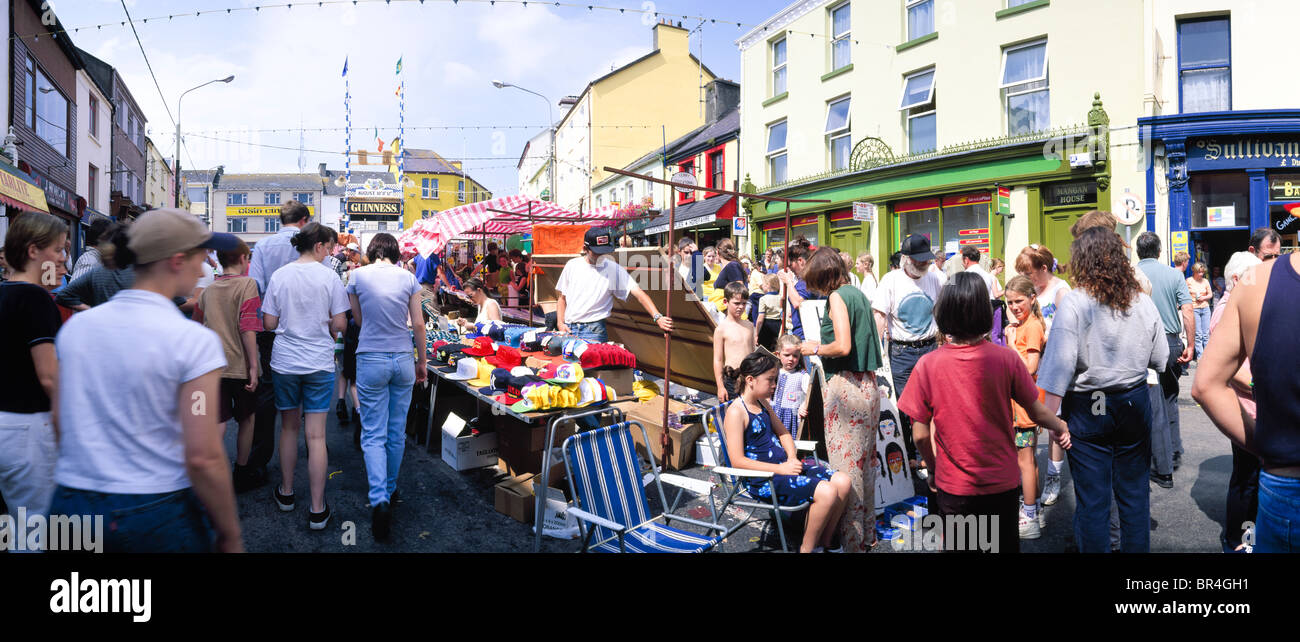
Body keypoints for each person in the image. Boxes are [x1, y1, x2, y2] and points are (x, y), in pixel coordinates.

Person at [50, 208, 243, 553]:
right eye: (201, 256)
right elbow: (202, 454)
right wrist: (229, 533)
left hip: (73, 502)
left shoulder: (78, 330)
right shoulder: (192, 341)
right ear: (177, 260)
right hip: (154, 508)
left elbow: (60, 421)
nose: (204, 267)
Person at [899, 272, 1070, 554]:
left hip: (954, 486)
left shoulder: (927, 365)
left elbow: (919, 434)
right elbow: (1038, 411)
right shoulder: (1006, 359)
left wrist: (933, 467)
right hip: (1000, 484)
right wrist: (1060, 425)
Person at [1038, 227, 1167, 553]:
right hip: (1133, 401)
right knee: (1134, 496)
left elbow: (1058, 370)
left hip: (1088, 404)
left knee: (1094, 502)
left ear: (1082, 260)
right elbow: (1161, 359)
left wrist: (1053, 422)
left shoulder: (1075, 303)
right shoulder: (1141, 301)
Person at [1193, 244, 1300, 552]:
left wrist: (1268, 447)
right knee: (1243, 481)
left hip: (1286, 477)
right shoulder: (1250, 287)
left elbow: (1206, 384)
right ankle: (1236, 537)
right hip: (1279, 467)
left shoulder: (1259, 284)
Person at [261, 222, 350, 530]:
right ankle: (317, 508)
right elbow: (340, 324)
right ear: (318, 246)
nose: (330, 253)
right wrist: (326, 323)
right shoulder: (329, 277)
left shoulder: (279, 276)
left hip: (285, 362)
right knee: (316, 436)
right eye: (329, 247)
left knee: (288, 429)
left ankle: (286, 493)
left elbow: (269, 323)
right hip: (318, 363)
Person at [722, 350, 851, 553]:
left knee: (843, 482)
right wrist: (781, 468)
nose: (774, 386)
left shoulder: (762, 403)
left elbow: (783, 434)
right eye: (770, 380)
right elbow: (737, 461)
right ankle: (807, 549)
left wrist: (792, 458)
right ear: (750, 380)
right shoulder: (736, 412)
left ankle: (826, 541)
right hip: (763, 478)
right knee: (827, 491)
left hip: (784, 468)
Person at [800, 246, 882, 553]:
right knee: (866, 467)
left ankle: (852, 543)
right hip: (868, 386)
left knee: (846, 473)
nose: (816, 289)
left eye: (816, 281)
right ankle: (868, 536)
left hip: (846, 386)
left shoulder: (836, 297)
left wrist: (815, 348)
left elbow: (843, 345)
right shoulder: (857, 293)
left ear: (824, 275)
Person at [346, 233, 427, 540]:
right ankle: (391, 491)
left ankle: (379, 497)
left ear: (372, 251)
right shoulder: (408, 278)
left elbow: (358, 319)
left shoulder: (356, 276)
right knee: (396, 432)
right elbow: (417, 324)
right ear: (395, 252)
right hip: (403, 358)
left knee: (373, 434)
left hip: (370, 357)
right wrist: (422, 361)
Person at [0, 212, 67, 551]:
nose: (63, 259)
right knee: (33, 533)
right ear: (32, 251)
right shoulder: (36, 299)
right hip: (29, 430)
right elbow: (49, 377)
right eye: (58, 250)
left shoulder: (4, 294)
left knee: (12, 527)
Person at [244, 200, 318, 491]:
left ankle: (260, 460)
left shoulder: (262, 246)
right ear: (303, 220)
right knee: (309, 384)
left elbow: (255, 285)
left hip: (269, 327)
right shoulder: (310, 245)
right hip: (305, 326)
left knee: (268, 392)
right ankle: (315, 448)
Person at [192, 239, 262, 491]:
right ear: (244, 259)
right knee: (247, 419)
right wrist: (254, 366)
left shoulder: (209, 290)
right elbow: (248, 326)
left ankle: (210, 470)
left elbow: (197, 324)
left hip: (213, 365)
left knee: (218, 420)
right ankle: (241, 471)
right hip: (240, 365)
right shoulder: (248, 285)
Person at [1205, 251, 1261, 552]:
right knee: (1247, 477)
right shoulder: (1226, 311)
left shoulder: (1241, 306)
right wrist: (1261, 386)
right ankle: (1238, 540)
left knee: (1251, 474)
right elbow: (1233, 372)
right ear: (1237, 279)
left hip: (1252, 405)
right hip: (1245, 406)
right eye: (1256, 277)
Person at [872, 234, 944, 469]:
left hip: (930, 348)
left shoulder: (935, 278)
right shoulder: (890, 280)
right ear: (905, 259)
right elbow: (880, 317)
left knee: (933, 404)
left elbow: (944, 311)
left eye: (926, 260)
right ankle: (909, 456)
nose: (924, 264)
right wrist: (876, 355)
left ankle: (929, 456)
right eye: (919, 260)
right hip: (902, 352)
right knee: (905, 407)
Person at [1135, 231, 1194, 488]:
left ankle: (1155, 460)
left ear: (1138, 252)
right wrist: (1191, 344)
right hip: (1170, 342)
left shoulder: (1131, 274)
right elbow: (1188, 311)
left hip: (1140, 344)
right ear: (1159, 251)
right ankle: (1171, 450)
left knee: (1146, 403)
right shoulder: (1174, 275)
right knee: (1169, 397)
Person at [1014, 243, 1072, 503]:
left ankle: (1053, 477)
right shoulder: (1030, 291)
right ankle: (1026, 476)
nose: (1027, 278)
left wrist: (1042, 336)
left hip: (1051, 364)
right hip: (1029, 366)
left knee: (1051, 424)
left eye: (1029, 273)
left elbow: (1067, 331)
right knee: (1025, 424)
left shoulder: (1061, 291)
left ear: (1044, 268)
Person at [555, 227, 672, 343]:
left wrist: (657, 317)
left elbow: (638, 293)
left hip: (594, 331)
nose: (601, 256)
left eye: (604, 252)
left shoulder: (613, 269)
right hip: (569, 329)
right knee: (569, 362)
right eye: (596, 253)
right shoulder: (572, 265)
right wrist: (560, 323)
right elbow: (562, 298)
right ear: (585, 249)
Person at [1004, 275, 1048, 539]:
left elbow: (1030, 367)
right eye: (1009, 302)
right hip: (1021, 404)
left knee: (1024, 461)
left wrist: (1010, 346)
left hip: (1023, 406)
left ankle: (1029, 514)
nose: (1014, 306)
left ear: (1032, 298)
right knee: (1028, 461)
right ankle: (1035, 510)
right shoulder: (1023, 323)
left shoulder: (1030, 327)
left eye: (1019, 300)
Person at [714, 281, 756, 401]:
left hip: (749, 378)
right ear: (726, 302)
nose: (741, 307)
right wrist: (720, 386)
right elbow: (718, 360)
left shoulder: (749, 326)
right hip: (731, 380)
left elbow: (752, 352)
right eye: (736, 303)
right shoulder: (721, 329)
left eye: (744, 303)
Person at [777, 238, 824, 340]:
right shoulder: (817, 279)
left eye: (791, 265)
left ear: (800, 261)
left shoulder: (805, 281)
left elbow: (798, 303)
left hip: (806, 335)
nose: (790, 269)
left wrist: (789, 282)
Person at [773, 334, 810, 440]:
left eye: (795, 356)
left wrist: (804, 405)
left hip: (790, 418)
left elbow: (810, 394)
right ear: (778, 354)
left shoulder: (802, 376)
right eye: (787, 355)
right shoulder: (774, 373)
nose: (791, 359)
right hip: (773, 414)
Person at [1188, 261, 1213, 360]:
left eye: (1202, 272)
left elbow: (1210, 294)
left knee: (1206, 334)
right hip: (1195, 308)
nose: (1201, 274)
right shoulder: (1189, 281)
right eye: (1199, 272)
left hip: (1205, 307)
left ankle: (1207, 357)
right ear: (1194, 271)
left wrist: (1204, 298)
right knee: (1198, 334)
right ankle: (1200, 357)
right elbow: (1185, 294)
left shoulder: (1205, 281)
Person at [756, 273, 783, 350]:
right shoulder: (781, 298)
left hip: (767, 326)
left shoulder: (763, 299)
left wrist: (757, 334)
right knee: (776, 349)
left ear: (768, 285)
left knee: (765, 350)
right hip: (778, 324)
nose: (762, 286)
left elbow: (760, 319)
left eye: (763, 284)